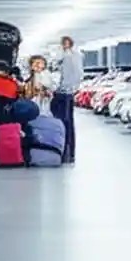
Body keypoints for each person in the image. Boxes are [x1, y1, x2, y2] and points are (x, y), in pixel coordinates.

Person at [51, 35, 81, 164]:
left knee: (62, 121)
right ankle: (69, 151)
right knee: (68, 122)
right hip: (68, 93)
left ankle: (63, 149)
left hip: (62, 93)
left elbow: (60, 75)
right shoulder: (76, 56)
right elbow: (79, 74)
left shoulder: (65, 57)